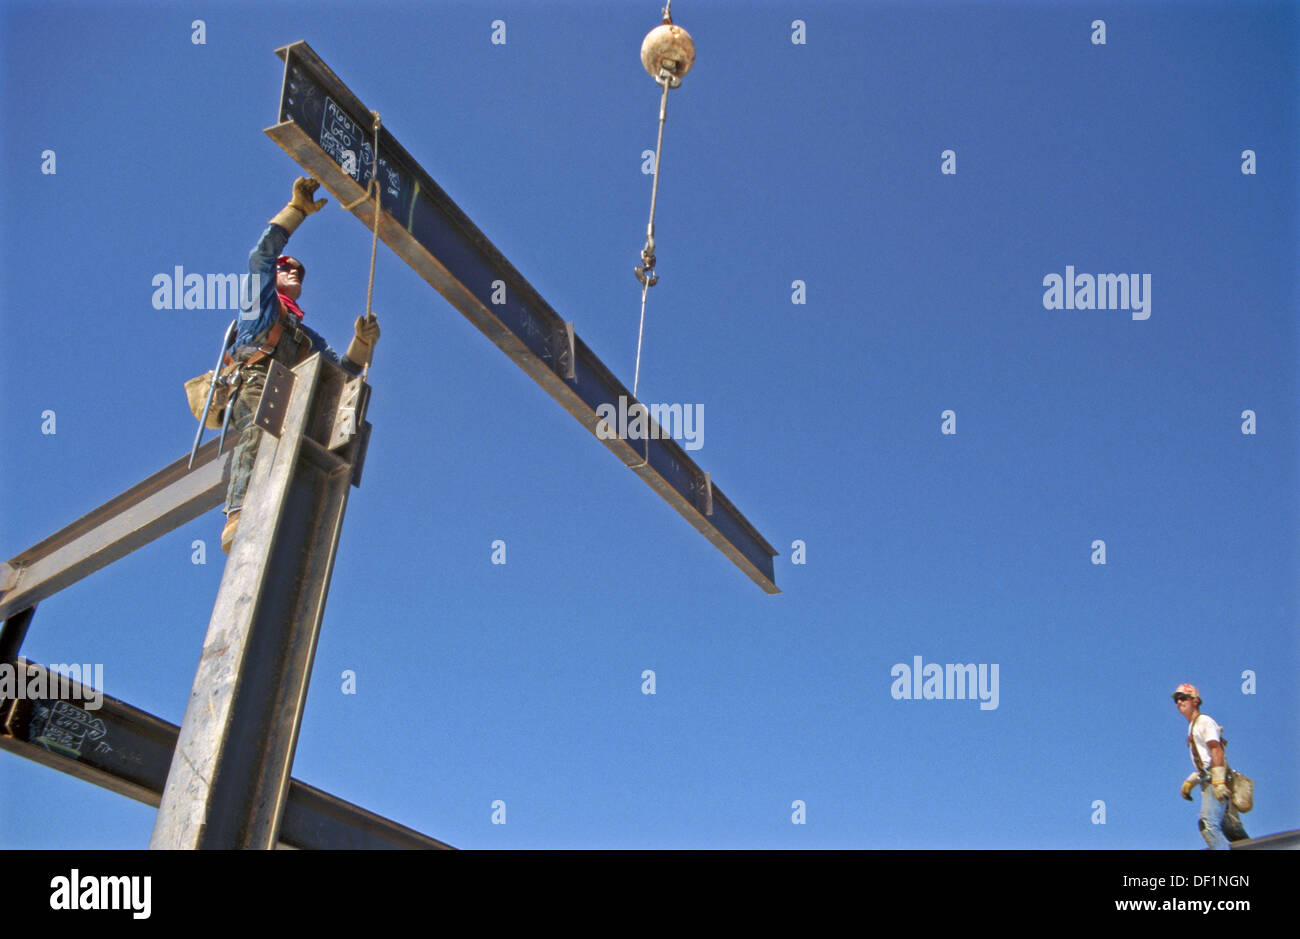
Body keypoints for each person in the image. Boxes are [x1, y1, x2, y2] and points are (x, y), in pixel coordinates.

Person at [220, 177, 381, 552]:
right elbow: (259, 258)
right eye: (286, 269)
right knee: (259, 428)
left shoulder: (306, 337)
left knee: (294, 455)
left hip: (290, 398)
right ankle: (238, 512)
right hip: (257, 382)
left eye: (299, 273)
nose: (294, 271)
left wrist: (362, 344)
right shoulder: (257, 307)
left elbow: (342, 372)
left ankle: (281, 523)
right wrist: (295, 212)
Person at [1172, 683, 1248, 849]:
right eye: (1177, 699)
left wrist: (1219, 781)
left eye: (1183, 698)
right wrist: (1191, 782)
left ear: (1195, 701)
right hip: (1209, 779)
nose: (1179, 702)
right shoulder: (1192, 727)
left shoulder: (1204, 721)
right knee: (1231, 828)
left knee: (1208, 825)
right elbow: (1205, 760)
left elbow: (1216, 749)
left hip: (1216, 779)